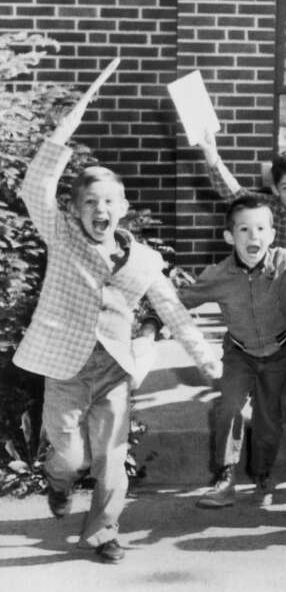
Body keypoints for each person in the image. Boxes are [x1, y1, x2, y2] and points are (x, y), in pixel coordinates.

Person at [14, 98, 221, 564]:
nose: (100, 209)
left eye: (109, 201)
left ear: (124, 207)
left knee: (111, 455)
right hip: (65, 369)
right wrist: (62, 133)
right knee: (71, 458)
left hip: (113, 372)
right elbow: (35, 187)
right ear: (74, 209)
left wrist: (208, 360)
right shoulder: (62, 236)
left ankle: (103, 531)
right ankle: (59, 483)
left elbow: (173, 311)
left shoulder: (144, 260)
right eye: (90, 202)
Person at [179, 196, 286, 509]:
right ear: (229, 237)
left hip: (280, 352)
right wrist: (150, 316)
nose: (253, 236)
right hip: (240, 354)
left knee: (269, 419)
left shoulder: (285, 262)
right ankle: (225, 476)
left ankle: (263, 475)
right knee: (229, 408)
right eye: (244, 229)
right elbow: (180, 300)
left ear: (272, 234)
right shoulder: (217, 275)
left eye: (260, 229)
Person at [195, 132, 286, 483]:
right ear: (274, 189)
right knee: (266, 393)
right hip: (271, 301)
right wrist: (211, 155)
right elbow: (232, 194)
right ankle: (233, 466)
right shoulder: (266, 211)